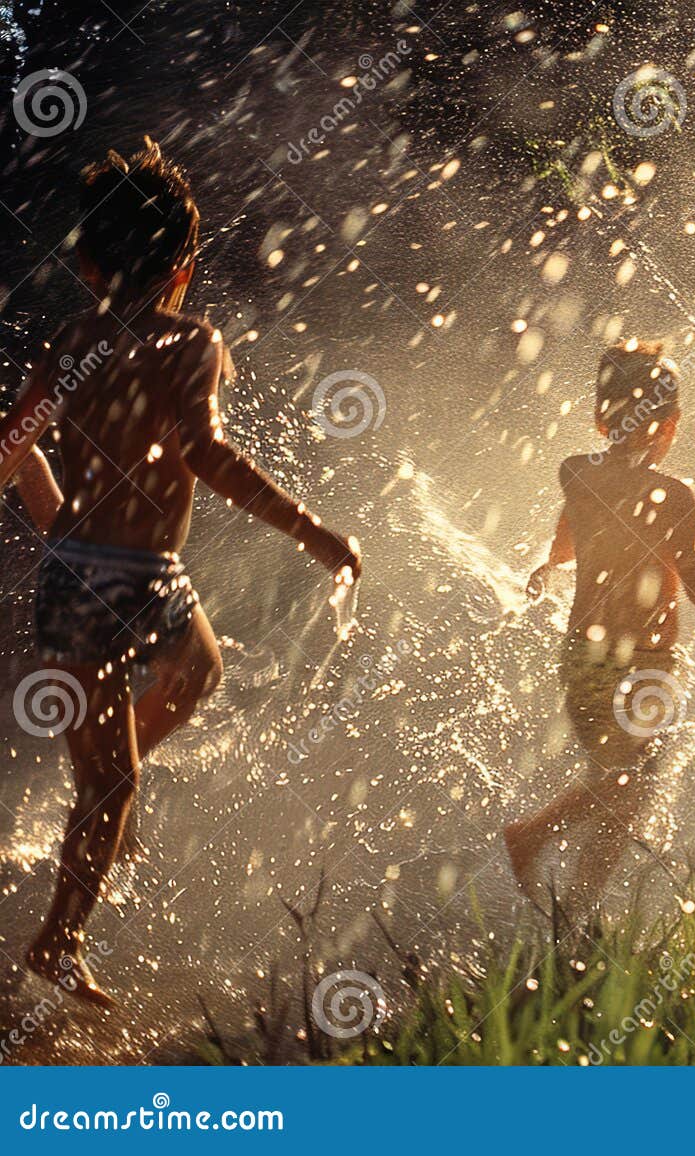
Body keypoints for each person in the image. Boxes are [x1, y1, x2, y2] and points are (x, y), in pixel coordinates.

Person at [0, 140, 361, 1006]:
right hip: (106, 576)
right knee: (115, 778)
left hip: (131, 573)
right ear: (185, 268)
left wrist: (56, 520)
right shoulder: (190, 340)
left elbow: (14, 450)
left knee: (200, 670)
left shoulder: (74, 341)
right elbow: (204, 451)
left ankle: (101, 795)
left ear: (88, 263)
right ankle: (59, 937)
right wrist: (311, 530)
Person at [504, 340, 695, 909]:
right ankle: (531, 836)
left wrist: (545, 569)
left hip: (583, 657)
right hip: (647, 664)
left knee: (623, 791)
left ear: (597, 417)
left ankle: (578, 916)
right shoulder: (675, 494)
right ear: (673, 424)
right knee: (626, 784)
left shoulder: (577, 474)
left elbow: (564, 547)